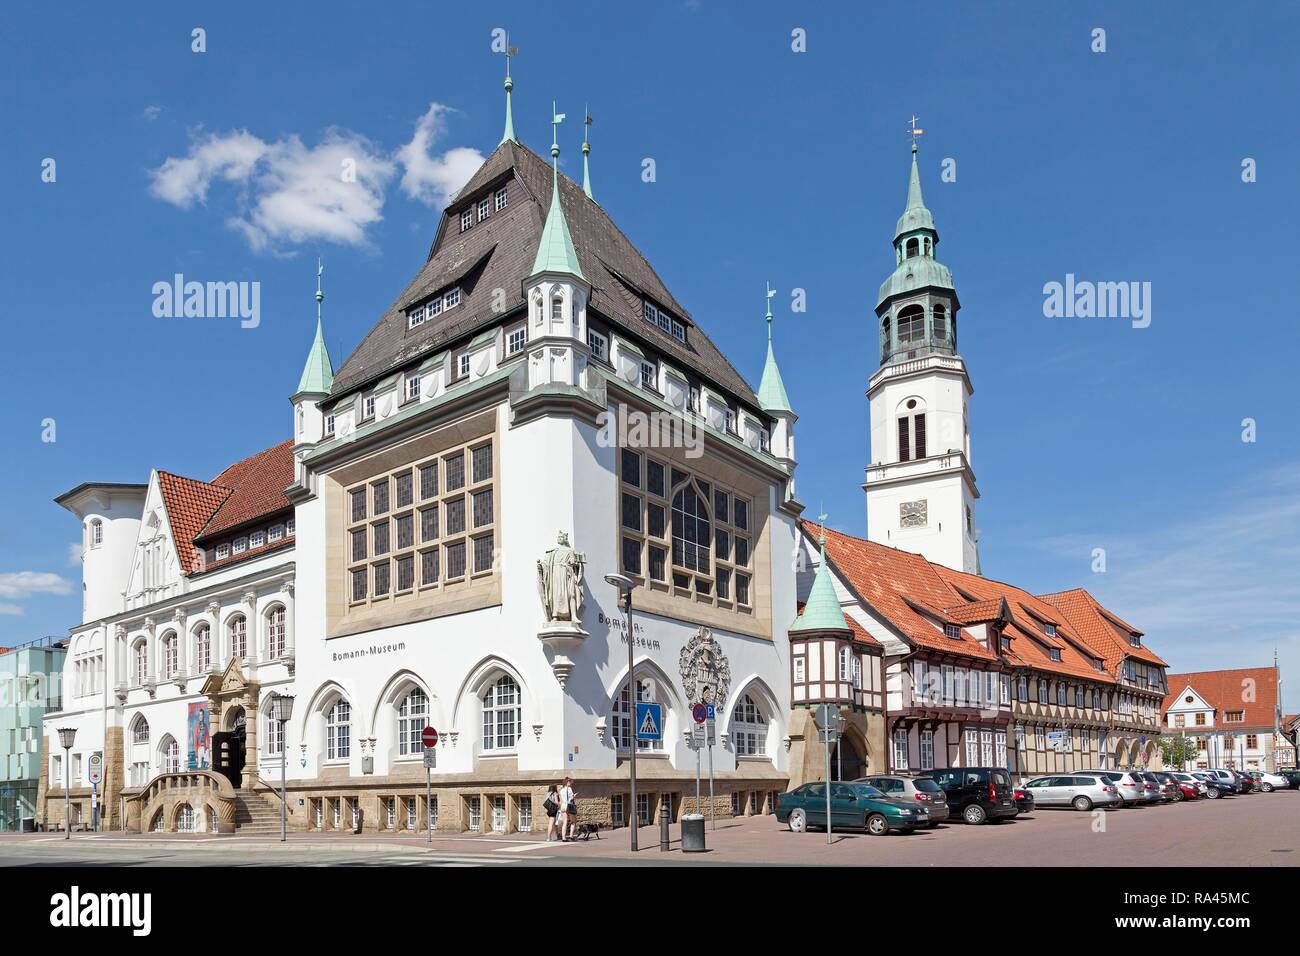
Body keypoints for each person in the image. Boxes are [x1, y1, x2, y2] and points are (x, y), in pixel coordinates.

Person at [559, 776, 577, 841]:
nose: (570, 783)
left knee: (565, 822)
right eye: (569, 781)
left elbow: (561, 800)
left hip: (563, 806)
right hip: (569, 805)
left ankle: (563, 838)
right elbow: (571, 799)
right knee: (573, 821)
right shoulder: (569, 789)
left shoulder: (561, 790)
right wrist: (574, 796)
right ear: (566, 782)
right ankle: (571, 836)